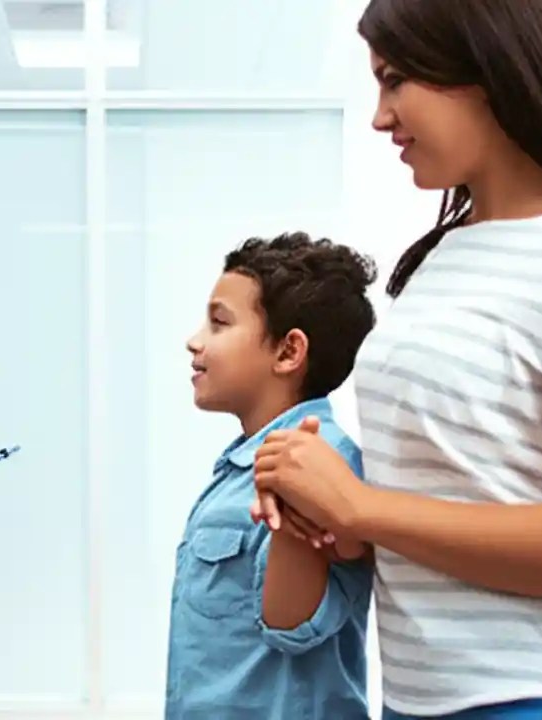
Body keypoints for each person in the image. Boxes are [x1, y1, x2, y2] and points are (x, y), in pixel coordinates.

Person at [251, 1, 542, 719]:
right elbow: (451, 493)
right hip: (424, 698)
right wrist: (316, 496)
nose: (380, 116)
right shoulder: (440, 258)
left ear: (484, 69)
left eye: (394, 81)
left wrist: (364, 506)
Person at [166, 232, 378, 718]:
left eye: (219, 323)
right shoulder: (240, 468)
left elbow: (291, 626)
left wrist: (293, 507)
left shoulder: (322, 462)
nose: (194, 340)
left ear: (288, 353)